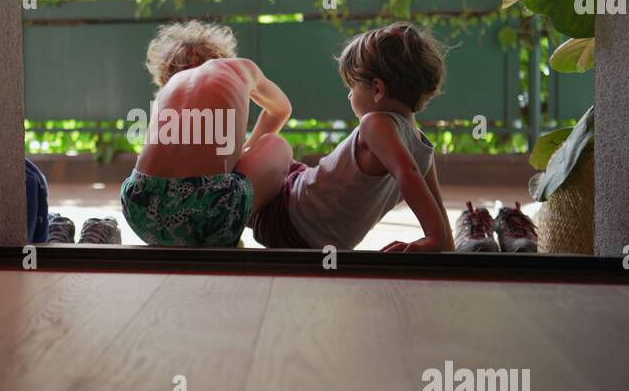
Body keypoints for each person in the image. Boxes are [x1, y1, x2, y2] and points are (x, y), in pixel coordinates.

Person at [249, 21, 453, 252]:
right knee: (282, 161)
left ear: (378, 89)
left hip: (285, 217)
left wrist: (433, 237)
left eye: (353, 87)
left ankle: (221, 207)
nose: (349, 96)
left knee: (273, 145)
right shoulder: (421, 147)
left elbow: (408, 174)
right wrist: (446, 246)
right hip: (309, 217)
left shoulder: (376, 122)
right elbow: (437, 205)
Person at [120, 21, 292, 246]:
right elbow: (281, 109)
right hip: (209, 215)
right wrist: (242, 156)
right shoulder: (241, 68)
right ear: (222, 55)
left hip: (139, 210)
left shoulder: (169, 91)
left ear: (166, 75)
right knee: (277, 145)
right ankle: (227, 226)